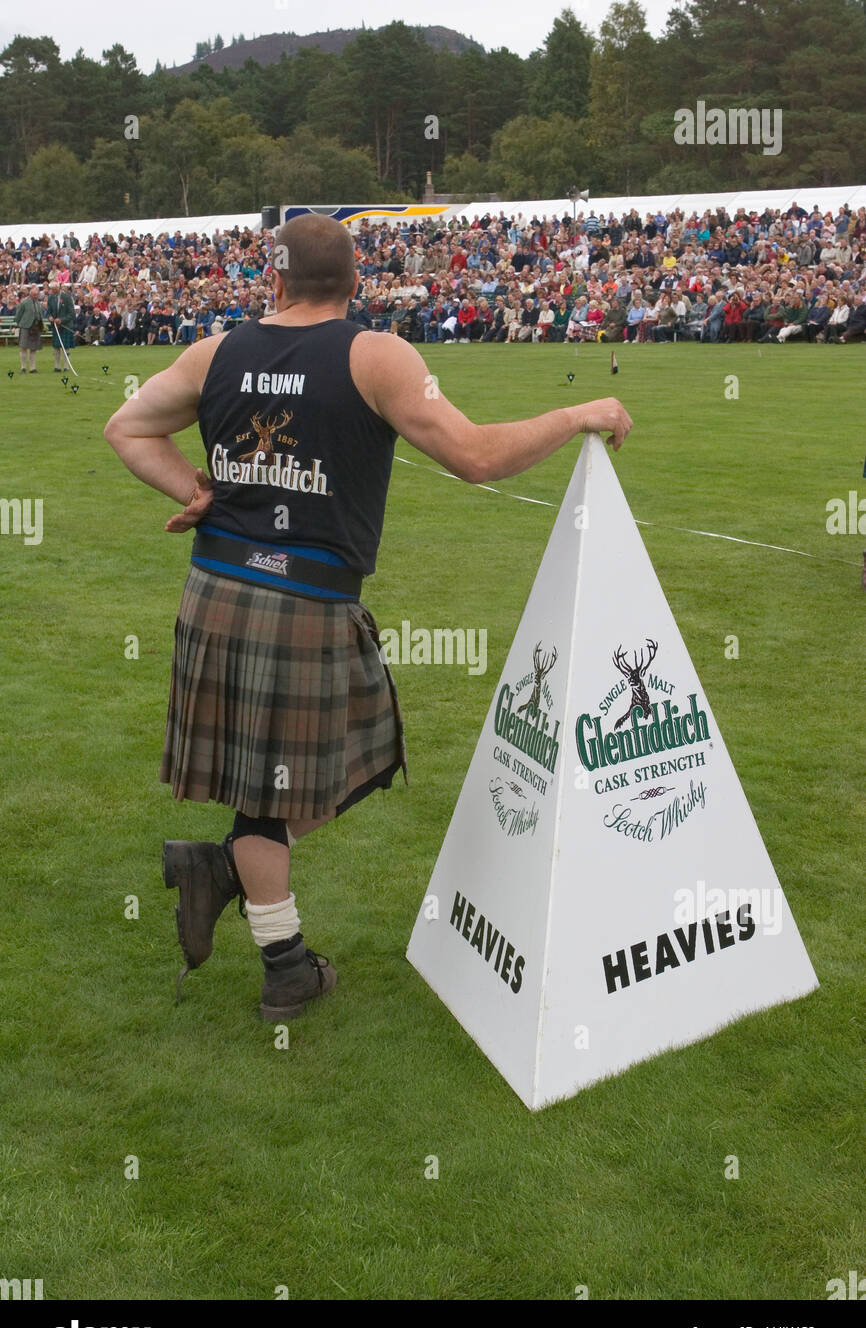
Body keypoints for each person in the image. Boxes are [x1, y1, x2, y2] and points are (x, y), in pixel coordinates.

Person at [103, 212, 633, 1023]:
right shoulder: (374, 354)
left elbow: (127, 425)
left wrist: (195, 492)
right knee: (308, 780)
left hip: (215, 589)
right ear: (355, 285)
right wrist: (578, 413)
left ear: (271, 280)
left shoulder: (216, 351)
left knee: (323, 773)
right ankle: (281, 960)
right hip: (307, 599)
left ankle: (228, 877)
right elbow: (478, 456)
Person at [47, 280, 75, 371]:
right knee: (56, 347)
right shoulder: (50, 297)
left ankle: (66, 366)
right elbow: (48, 311)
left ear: (59, 287)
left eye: (55, 289)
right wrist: (50, 317)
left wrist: (61, 320)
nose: (53, 291)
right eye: (52, 289)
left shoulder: (67, 297)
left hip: (65, 326)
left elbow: (72, 314)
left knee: (65, 347)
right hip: (55, 326)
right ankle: (57, 366)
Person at [15, 284, 44, 372]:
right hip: (25, 327)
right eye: (34, 295)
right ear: (30, 294)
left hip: (36, 327)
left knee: (33, 348)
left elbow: (40, 314)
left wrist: (40, 324)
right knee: (23, 347)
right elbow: (18, 316)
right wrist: (21, 324)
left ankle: (32, 368)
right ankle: (23, 367)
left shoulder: (38, 303)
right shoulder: (24, 302)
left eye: (37, 295)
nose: (36, 296)